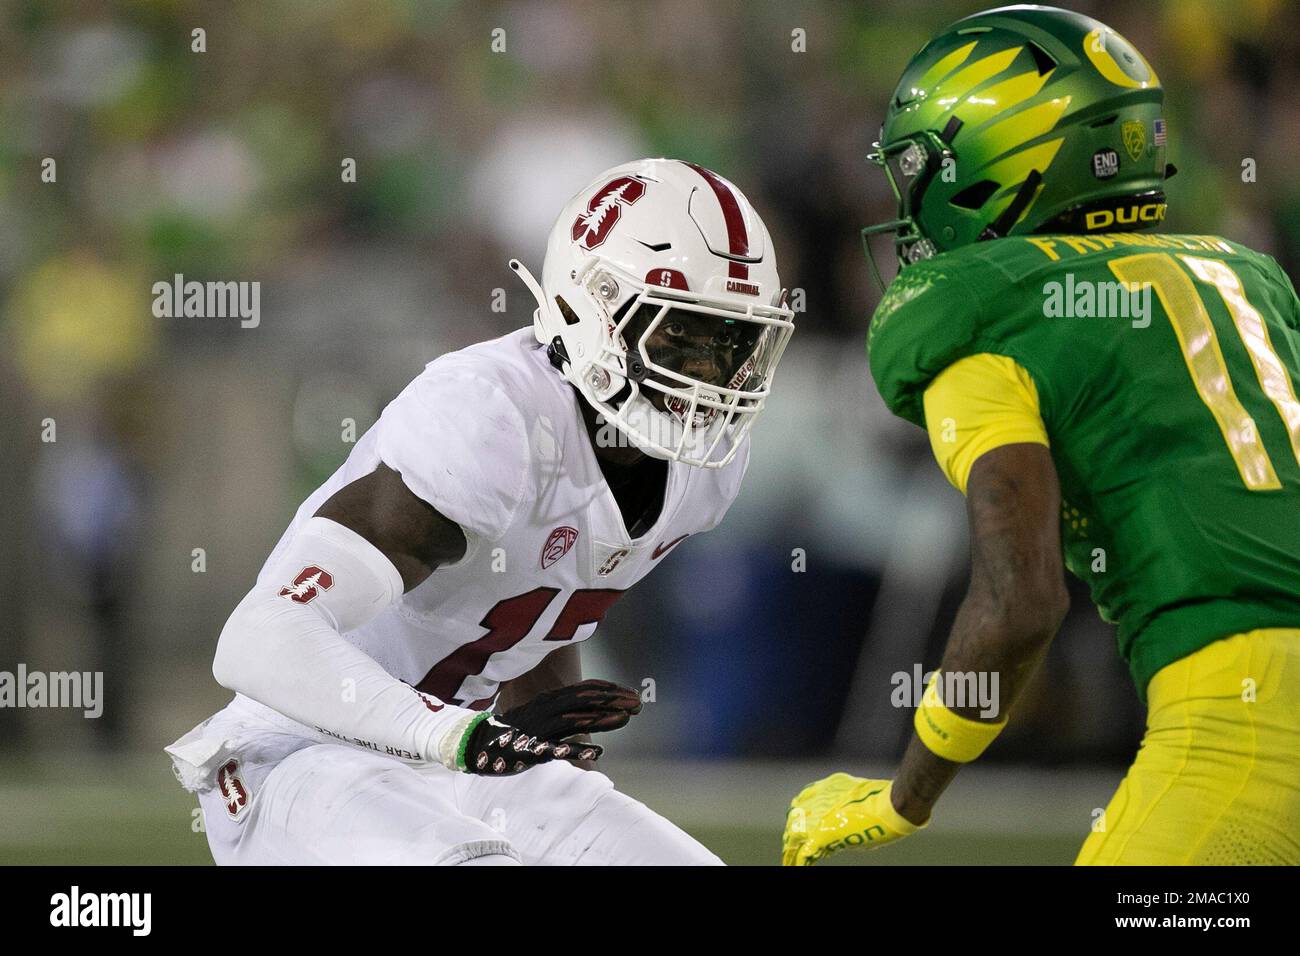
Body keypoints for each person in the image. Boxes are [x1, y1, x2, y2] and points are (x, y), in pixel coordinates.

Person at [784, 5, 1300, 866]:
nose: (908, 202)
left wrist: (906, 795)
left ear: (1006, 160)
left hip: (1248, 716)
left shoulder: (986, 312)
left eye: (919, 168)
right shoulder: (1245, 276)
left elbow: (1019, 601)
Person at [167, 158, 794, 865]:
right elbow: (259, 637)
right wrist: (458, 735)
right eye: (682, 336)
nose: (708, 376)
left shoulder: (708, 466)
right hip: (301, 758)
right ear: (594, 306)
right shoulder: (491, 415)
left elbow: (537, 585)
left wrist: (534, 735)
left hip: (462, 756)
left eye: (731, 342)